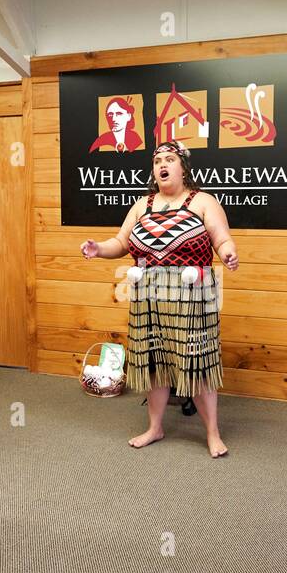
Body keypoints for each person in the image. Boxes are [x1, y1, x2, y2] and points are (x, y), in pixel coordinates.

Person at [80, 140, 238, 457]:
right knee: (154, 364)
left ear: (183, 167)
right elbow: (121, 241)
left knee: (200, 364)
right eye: (157, 162)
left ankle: (212, 433)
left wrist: (228, 253)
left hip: (192, 297)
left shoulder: (203, 201)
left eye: (169, 159)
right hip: (149, 295)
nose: (162, 165)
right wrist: (99, 249)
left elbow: (221, 238)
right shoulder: (143, 205)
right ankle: (155, 427)